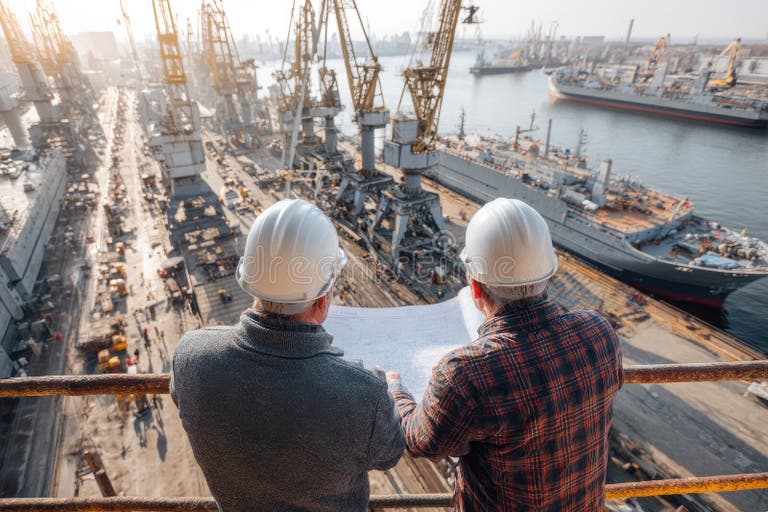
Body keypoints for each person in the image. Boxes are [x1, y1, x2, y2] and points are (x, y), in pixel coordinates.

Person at [387, 198, 623, 511]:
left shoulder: (465, 372)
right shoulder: (600, 333)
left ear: (474, 286)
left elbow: (420, 441)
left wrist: (396, 390)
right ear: (548, 273)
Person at [171, 199, 404, 512]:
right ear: (322, 299)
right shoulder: (363, 394)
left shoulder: (191, 357)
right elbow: (389, 454)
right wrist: (393, 391)